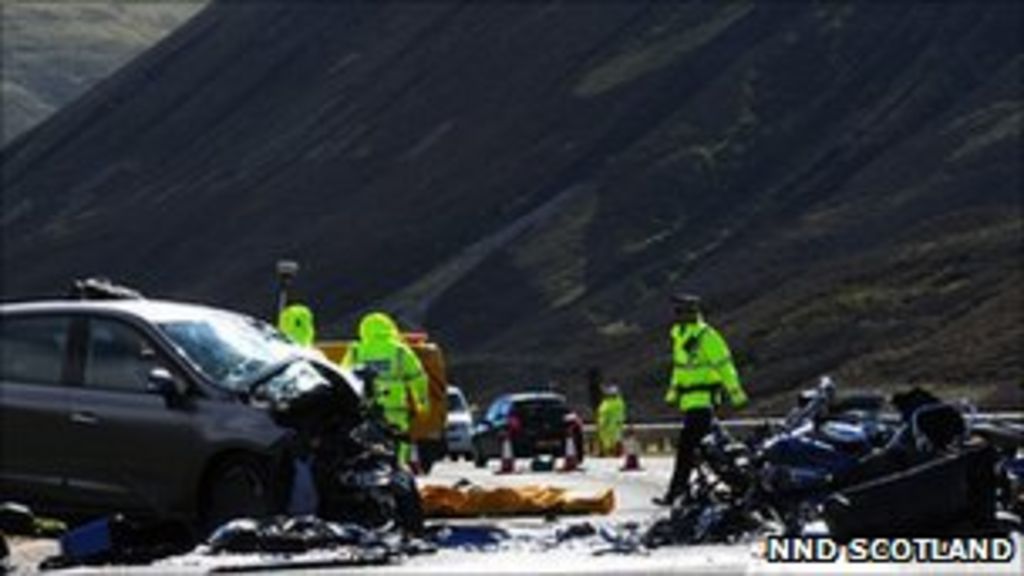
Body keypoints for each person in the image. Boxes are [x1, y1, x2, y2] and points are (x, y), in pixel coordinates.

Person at [654, 293, 748, 506]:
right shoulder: (680, 336)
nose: (676, 316)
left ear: (691, 313)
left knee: (687, 449)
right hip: (690, 402)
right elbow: (679, 369)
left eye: (680, 312)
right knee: (707, 450)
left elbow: (724, 364)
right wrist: (672, 392)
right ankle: (735, 486)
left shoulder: (707, 336)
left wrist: (735, 392)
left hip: (704, 401)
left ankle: (677, 493)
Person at [341, 312, 428, 467]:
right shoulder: (400, 351)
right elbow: (417, 377)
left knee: (365, 439)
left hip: (365, 407)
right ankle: (400, 469)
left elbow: (343, 378)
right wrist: (421, 401)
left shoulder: (356, 350)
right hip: (396, 408)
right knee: (400, 439)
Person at [596, 384, 627, 456]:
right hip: (606, 423)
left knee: (614, 438)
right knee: (605, 438)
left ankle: (615, 452)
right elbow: (603, 412)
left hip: (612, 423)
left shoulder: (616, 402)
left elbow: (615, 413)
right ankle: (605, 451)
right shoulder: (607, 401)